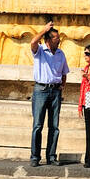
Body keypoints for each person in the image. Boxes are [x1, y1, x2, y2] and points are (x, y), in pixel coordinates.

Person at [28, 21, 69, 166]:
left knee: (54, 126)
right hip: (41, 90)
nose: (58, 40)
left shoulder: (60, 53)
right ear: (48, 40)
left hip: (55, 91)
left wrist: (62, 86)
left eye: (59, 38)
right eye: (56, 38)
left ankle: (51, 156)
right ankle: (35, 157)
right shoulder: (39, 50)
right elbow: (33, 42)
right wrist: (44, 29)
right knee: (38, 125)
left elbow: (64, 72)